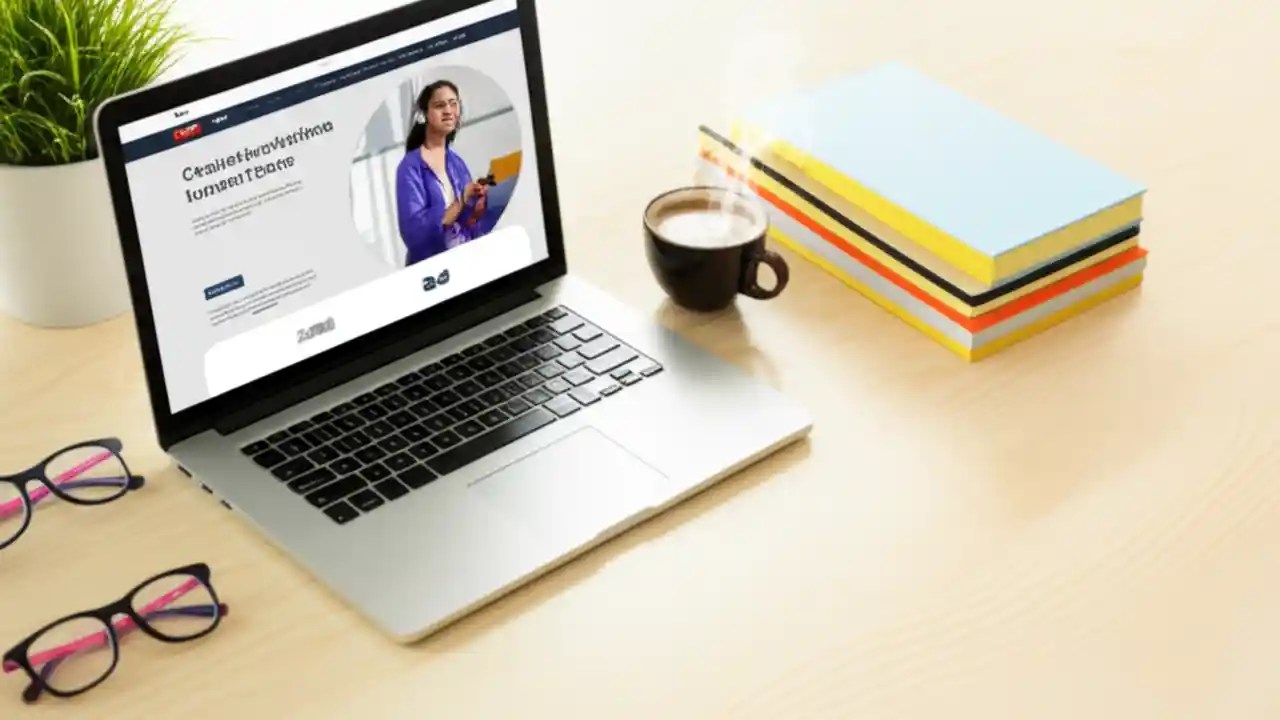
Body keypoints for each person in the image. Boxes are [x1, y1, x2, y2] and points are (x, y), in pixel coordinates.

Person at [394, 80, 489, 265]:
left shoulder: (457, 163)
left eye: (453, 104)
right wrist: (462, 199)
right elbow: (415, 234)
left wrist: (477, 209)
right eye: (440, 105)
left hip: (464, 264)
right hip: (432, 271)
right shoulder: (410, 167)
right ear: (425, 114)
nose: (448, 110)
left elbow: (467, 224)